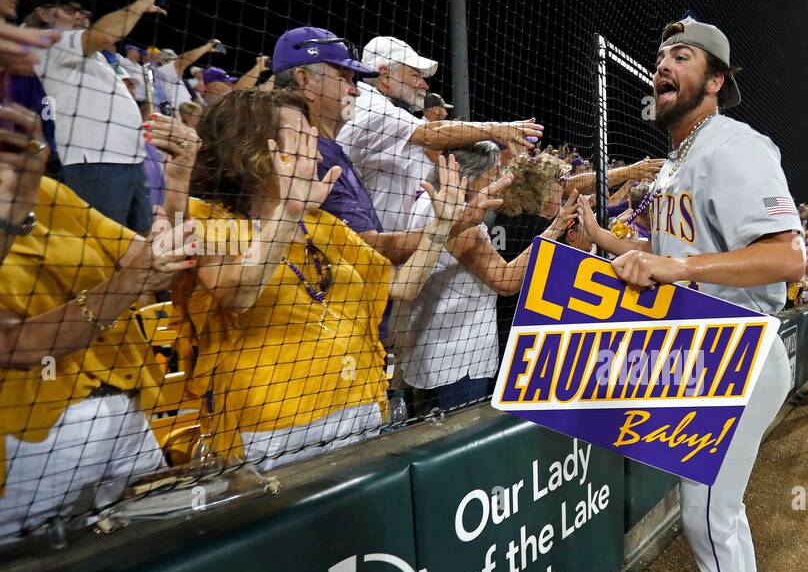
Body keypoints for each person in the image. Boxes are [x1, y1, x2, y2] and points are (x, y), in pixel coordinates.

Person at [575, 17, 804, 572]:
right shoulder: (678, 159)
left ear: (715, 82)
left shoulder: (733, 145)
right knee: (714, 512)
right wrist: (597, 235)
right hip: (708, 351)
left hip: (743, 345)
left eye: (684, 57)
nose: (664, 66)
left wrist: (679, 264)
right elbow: (656, 256)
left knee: (707, 514)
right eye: (660, 57)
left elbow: (788, 258)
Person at [175, 89, 479, 470]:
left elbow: (402, 287)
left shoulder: (325, 226)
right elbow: (238, 293)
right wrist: (288, 210)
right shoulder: (206, 219)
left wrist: (442, 226)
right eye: (302, 138)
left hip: (358, 412)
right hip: (269, 430)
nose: (317, 153)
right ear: (249, 146)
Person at [0, 98, 197, 540]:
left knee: (161, 558)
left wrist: (178, 187)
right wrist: (131, 281)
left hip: (124, 415)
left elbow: (151, 259)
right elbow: (20, 347)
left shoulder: (51, 195)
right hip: (30, 438)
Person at [394, 141, 578, 415]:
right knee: (461, 450)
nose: (500, 183)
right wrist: (555, 229)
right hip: (458, 363)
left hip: (427, 352)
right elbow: (506, 281)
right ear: (469, 177)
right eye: (493, 175)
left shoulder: (425, 203)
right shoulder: (461, 223)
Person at [337, 33, 543, 231]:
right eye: (414, 74)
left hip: (377, 239)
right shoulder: (372, 106)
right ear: (384, 74)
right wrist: (496, 129)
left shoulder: (378, 105)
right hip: (366, 243)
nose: (423, 84)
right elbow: (431, 134)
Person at [23, 0, 169, 231]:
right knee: (105, 254)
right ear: (44, 14)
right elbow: (103, 35)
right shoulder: (48, 41)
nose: (79, 15)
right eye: (70, 10)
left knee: (139, 249)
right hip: (96, 163)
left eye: (83, 11)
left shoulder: (91, 54)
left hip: (129, 161)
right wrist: (141, 4)